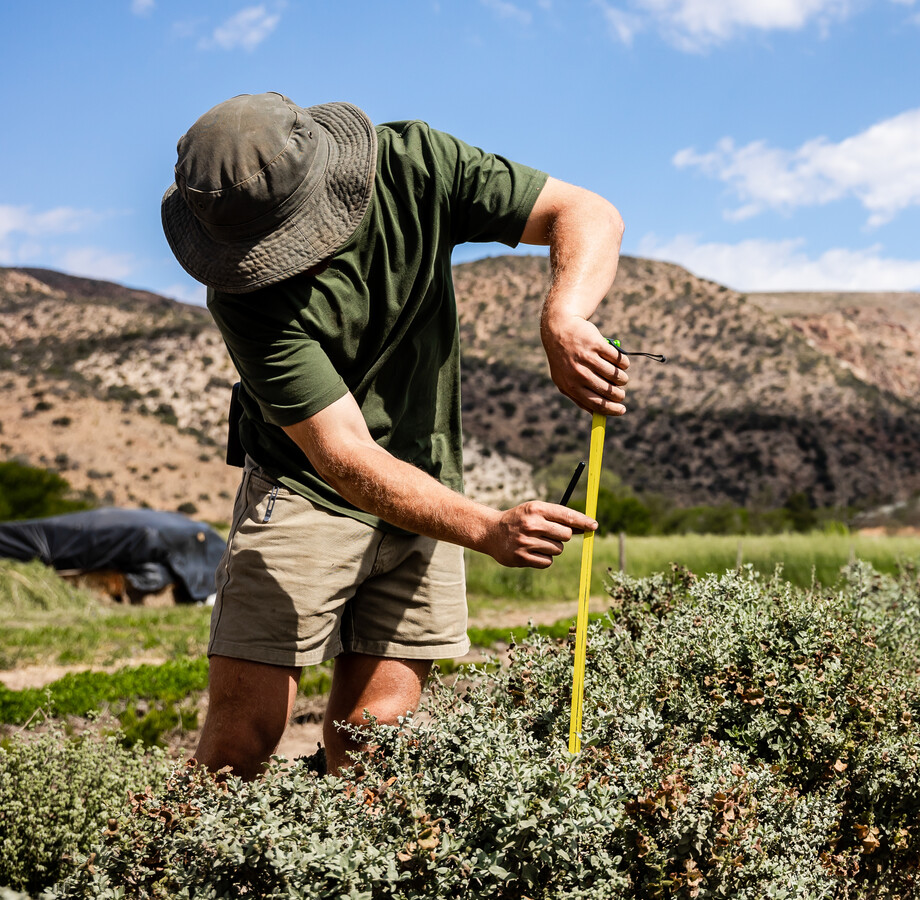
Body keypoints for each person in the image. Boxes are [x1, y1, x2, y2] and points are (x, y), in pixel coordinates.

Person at [161, 92, 627, 778]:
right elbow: (342, 453)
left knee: (373, 743)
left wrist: (564, 315)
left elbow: (586, 212)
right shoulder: (242, 299)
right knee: (239, 745)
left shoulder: (417, 165)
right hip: (305, 490)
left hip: (427, 486)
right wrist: (487, 529)